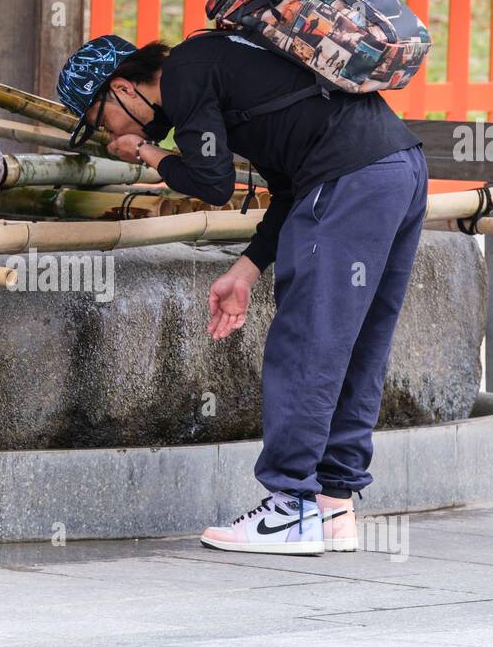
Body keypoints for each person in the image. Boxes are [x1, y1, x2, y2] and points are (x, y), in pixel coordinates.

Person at [55, 30, 428, 556]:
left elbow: (209, 181)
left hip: (348, 180)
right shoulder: (224, 65)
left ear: (120, 88)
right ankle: (332, 504)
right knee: (359, 343)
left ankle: (288, 507)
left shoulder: (185, 73)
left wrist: (144, 151)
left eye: (97, 121)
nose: (104, 134)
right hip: (398, 169)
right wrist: (247, 270)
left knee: (306, 342)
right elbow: (290, 188)